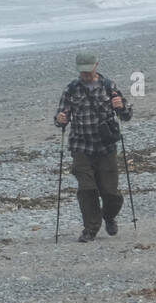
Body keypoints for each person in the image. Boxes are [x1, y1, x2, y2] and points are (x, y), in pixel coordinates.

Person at [54, 52, 132, 242]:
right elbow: (60, 118)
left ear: (96, 65)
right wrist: (60, 119)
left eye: (89, 71)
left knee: (110, 192)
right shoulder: (71, 89)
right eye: (83, 71)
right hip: (81, 147)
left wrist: (120, 106)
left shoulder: (108, 86)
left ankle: (109, 216)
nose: (86, 74)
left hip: (106, 147)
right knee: (86, 189)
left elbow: (126, 115)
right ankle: (90, 229)